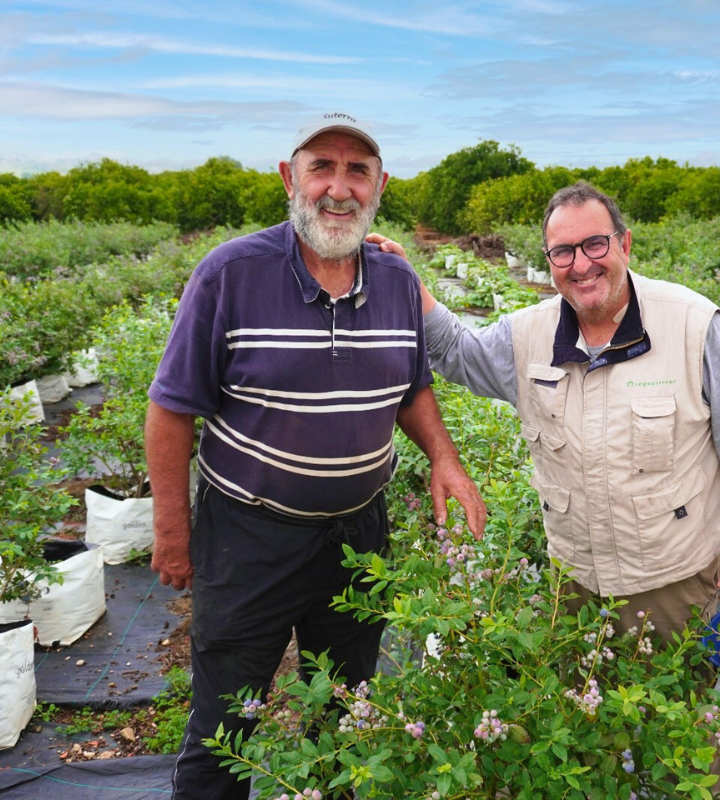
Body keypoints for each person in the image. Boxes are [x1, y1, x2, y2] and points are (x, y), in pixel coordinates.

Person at [370, 181, 720, 798]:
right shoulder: (530, 333)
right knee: (578, 727)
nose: (581, 264)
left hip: (669, 582)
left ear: (624, 243)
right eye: (562, 252)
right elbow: (457, 352)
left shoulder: (693, 324)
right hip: (574, 581)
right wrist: (412, 285)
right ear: (547, 261)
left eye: (595, 244)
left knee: (682, 736)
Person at [145, 112, 486, 800]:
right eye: (321, 168)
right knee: (226, 720)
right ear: (288, 179)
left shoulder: (394, 280)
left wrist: (445, 460)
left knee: (347, 707)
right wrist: (172, 531)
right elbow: (172, 407)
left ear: (380, 186)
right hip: (249, 536)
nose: (339, 188)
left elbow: (410, 384)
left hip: (358, 534)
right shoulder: (231, 273)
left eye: (357, 171)